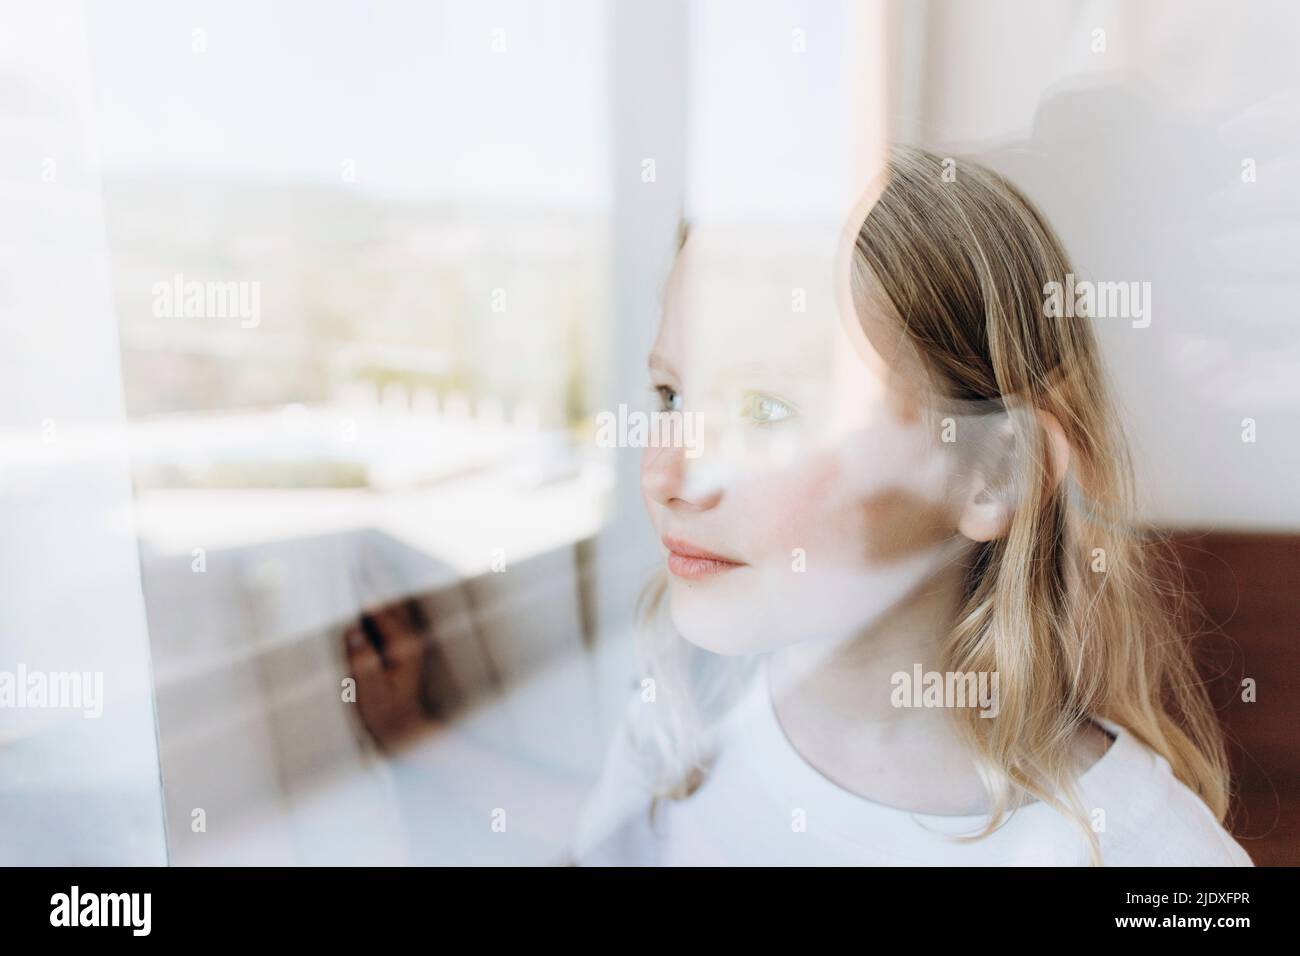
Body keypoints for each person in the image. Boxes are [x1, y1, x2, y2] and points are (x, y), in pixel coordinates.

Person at [569, 145, 1254, 866]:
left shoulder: (1154, 860)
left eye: (764, 410)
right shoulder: (680, 709)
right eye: (671, 396)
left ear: (994, 471)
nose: (664, 475)